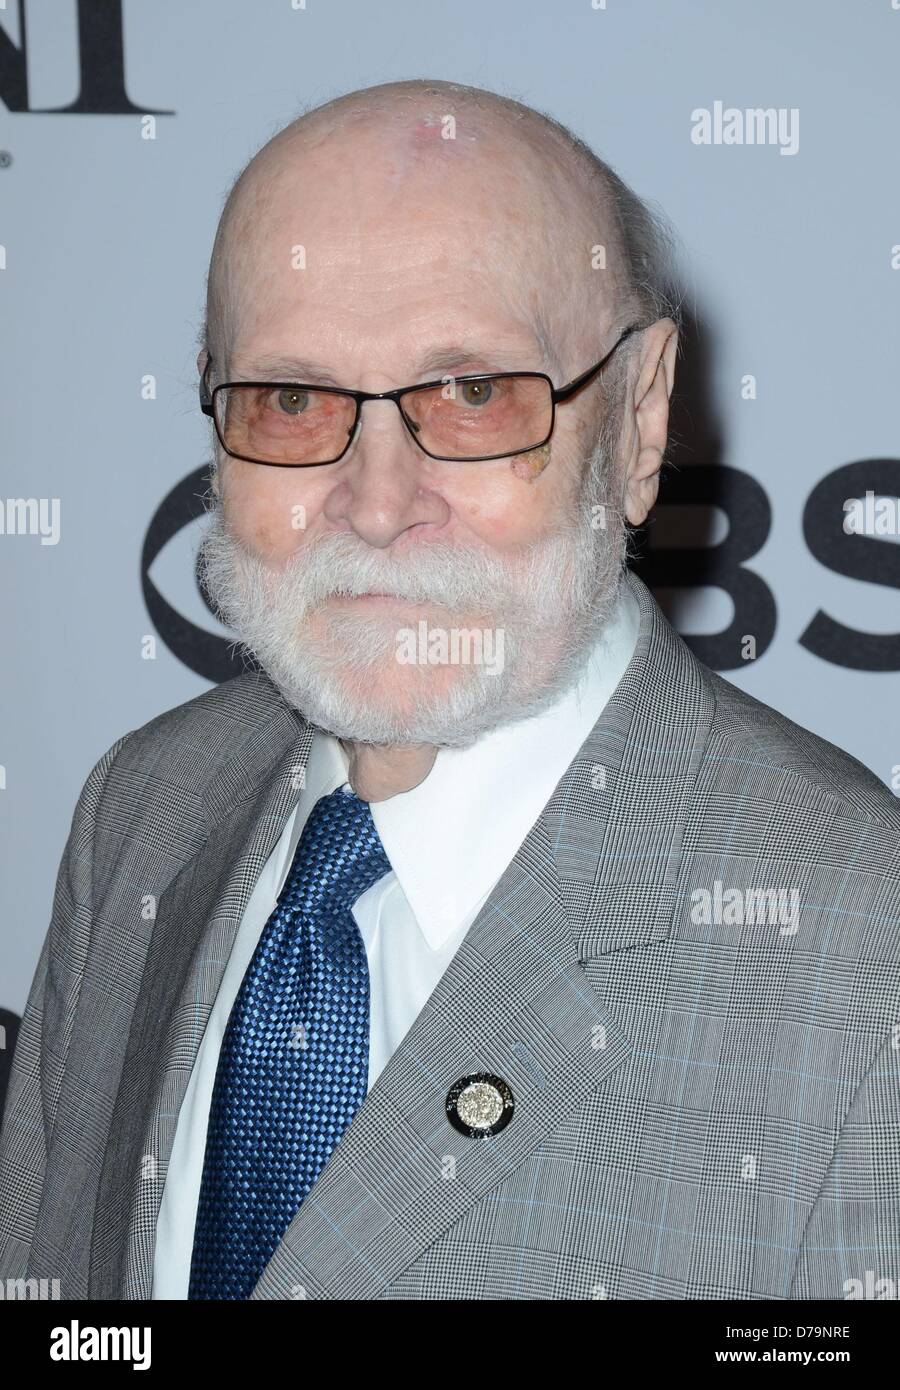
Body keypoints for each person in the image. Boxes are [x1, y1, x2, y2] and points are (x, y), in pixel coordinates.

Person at [1, 78, 898, 1302]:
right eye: (294, 398)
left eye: (474, 395)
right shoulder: (140, 813)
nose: (376, 505)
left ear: (639, 420)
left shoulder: (857, 941)